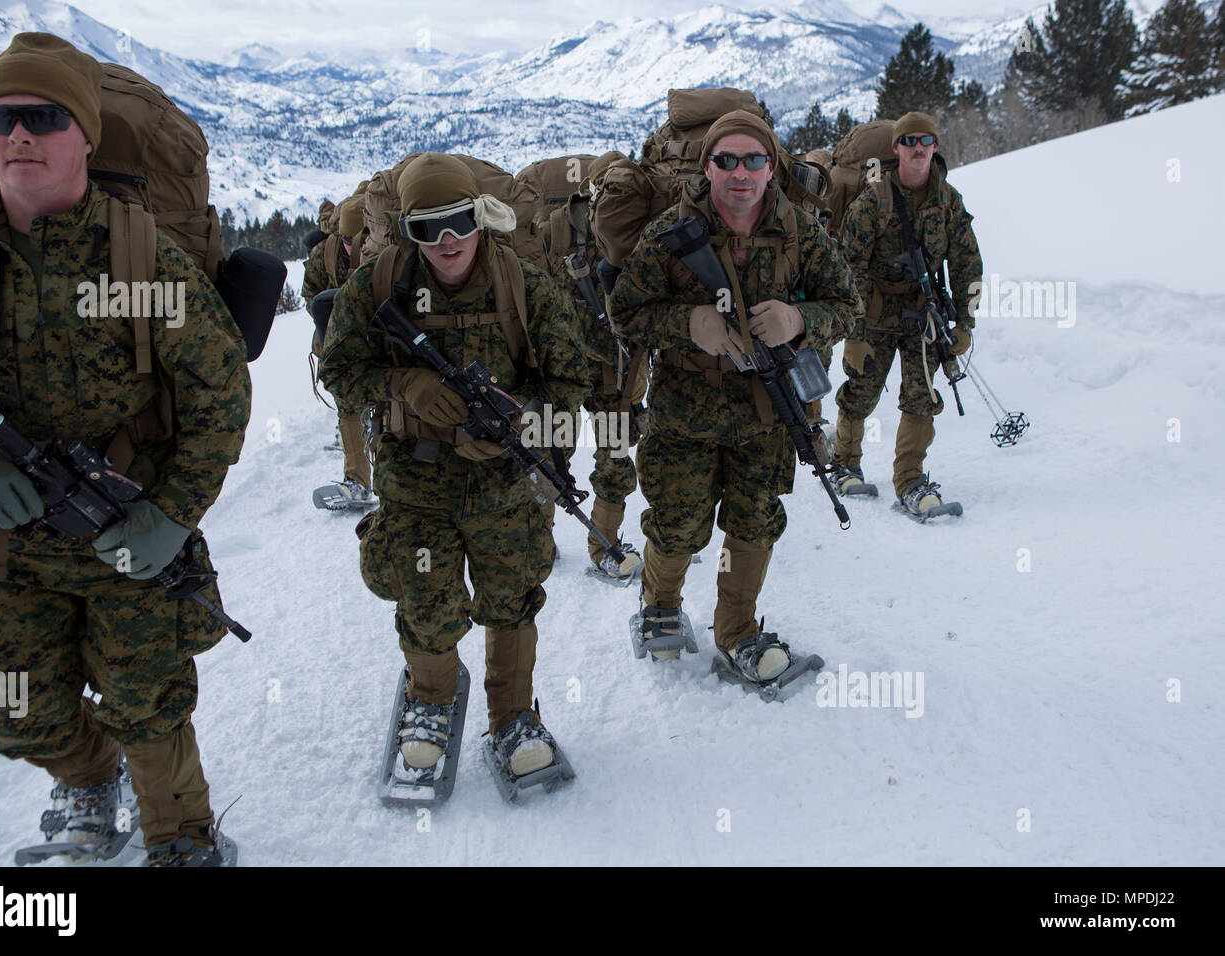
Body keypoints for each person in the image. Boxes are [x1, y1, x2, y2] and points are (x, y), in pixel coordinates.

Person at [0, 33, 250, 866]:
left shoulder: (142, 255)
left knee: (150, 700)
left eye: (43, 116)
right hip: (16, 542)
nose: (19, 135)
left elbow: (221, 396)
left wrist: (171, 516)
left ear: (86, 134)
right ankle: (87, 776)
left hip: (126, 523)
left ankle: (180, 834)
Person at [318, 153, 587, 790]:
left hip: (503, 484)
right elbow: (338, 370)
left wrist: (519, 423)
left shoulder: (524, 284)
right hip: (415, 482)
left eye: (460, 222)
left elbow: (572, 380)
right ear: (406, 229)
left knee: (511, 596)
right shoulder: (377, 285)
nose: (446, 241)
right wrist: (403, 383)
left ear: (482, 216)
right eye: (426, 228)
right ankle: (430, 702)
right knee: (426, 597)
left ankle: (513, 715)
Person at [610, 110, 863, 679]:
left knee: (753, 524)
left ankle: (737, 631)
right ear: (709, 166)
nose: (741, 172)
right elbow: (625, 309)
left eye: (754, 159)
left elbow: (850, 305)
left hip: (767, 416)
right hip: (684, 418)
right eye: (727, 160)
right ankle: (659, 605)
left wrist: (800, 318)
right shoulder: (671, 232)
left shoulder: (801, 231)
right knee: (677, 525)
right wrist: (688, 324)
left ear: (771, 168)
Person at [830, 111, 983, 515]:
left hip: (923, 313)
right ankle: (845, 464)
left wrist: (964, 323)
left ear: (934, 147)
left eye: (925, 141)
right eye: (909, 141)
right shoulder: (874, 199)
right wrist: (855, 331)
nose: (918, 148)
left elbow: (968, 262)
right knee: (861, 391)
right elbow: (850, 266)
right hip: (875, 310)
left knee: (923, 396)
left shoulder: (948, 201)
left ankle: (910, 481)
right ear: (897, 148)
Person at [536, 150, 647, 583]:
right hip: (563, 371)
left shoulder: (637, 233)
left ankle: (603, 546)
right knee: (548, 456)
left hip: (611, 376)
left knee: (614, 461)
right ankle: (541, 542)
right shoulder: (552, 234)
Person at [306, 194, 376, 509]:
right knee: (349, 408)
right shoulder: (324, 256)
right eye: (348, 241)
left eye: (361, 239)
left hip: (379, 344)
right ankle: (358, 481)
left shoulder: (385, 253)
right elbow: (311, 296)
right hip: (336, 343)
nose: (355, 248)